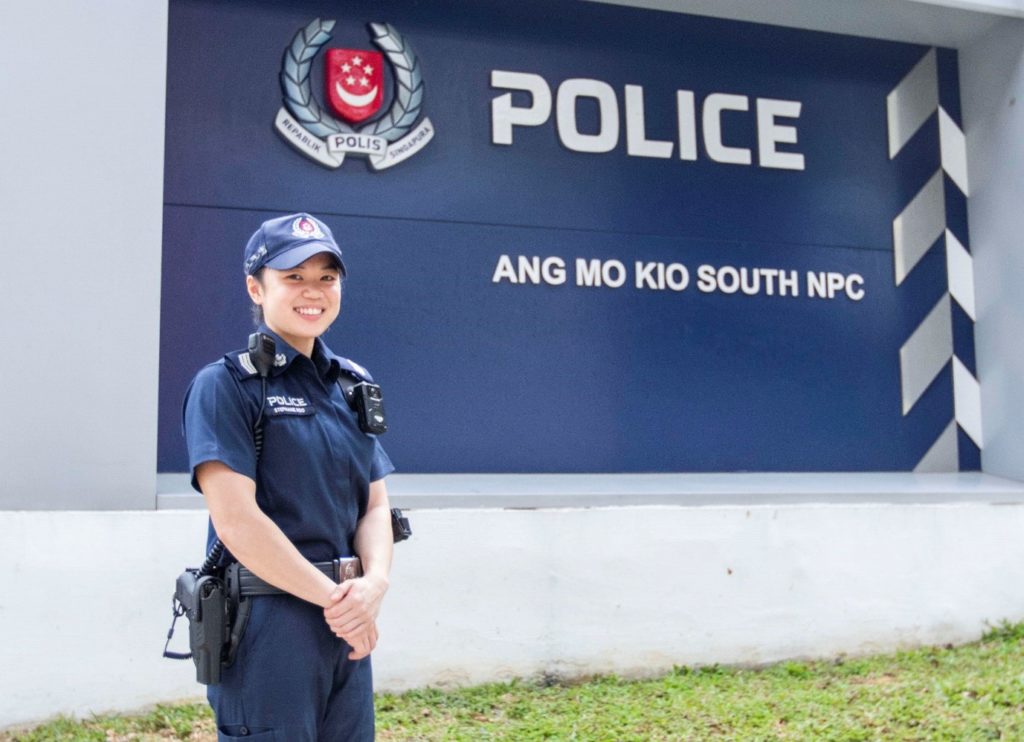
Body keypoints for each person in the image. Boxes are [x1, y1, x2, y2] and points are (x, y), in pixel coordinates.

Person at [182, 212, 395, 741]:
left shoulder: (352, 383)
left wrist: (373, 586)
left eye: (327, 277)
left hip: (343, 618)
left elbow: (374, 505)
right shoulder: (225, 386)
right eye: (293, 277)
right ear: (256, 287)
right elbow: (237, 522)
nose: (313, 291)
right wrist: (339, 603)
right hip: (269, 622)